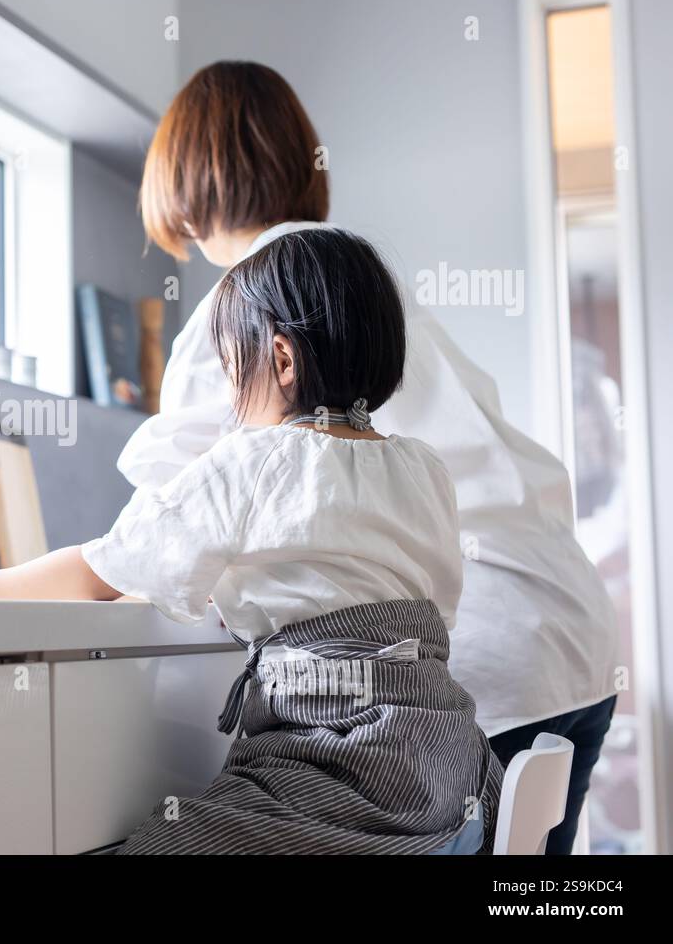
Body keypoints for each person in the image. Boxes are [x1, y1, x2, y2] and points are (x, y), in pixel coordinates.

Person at [121, 61, 618, 854]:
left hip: (465, 675)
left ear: (191, 180)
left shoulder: (248, 303)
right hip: (569, 630)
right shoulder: (356, 279)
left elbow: (161, 515)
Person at [0, 228, 501, 854]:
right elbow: (423, 609)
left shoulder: (255, 458)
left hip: (339, 762)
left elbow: (104, 567)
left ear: (283, 361)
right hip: (445, 771)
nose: (232, 394)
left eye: (233, 369)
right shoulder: (424, 468)